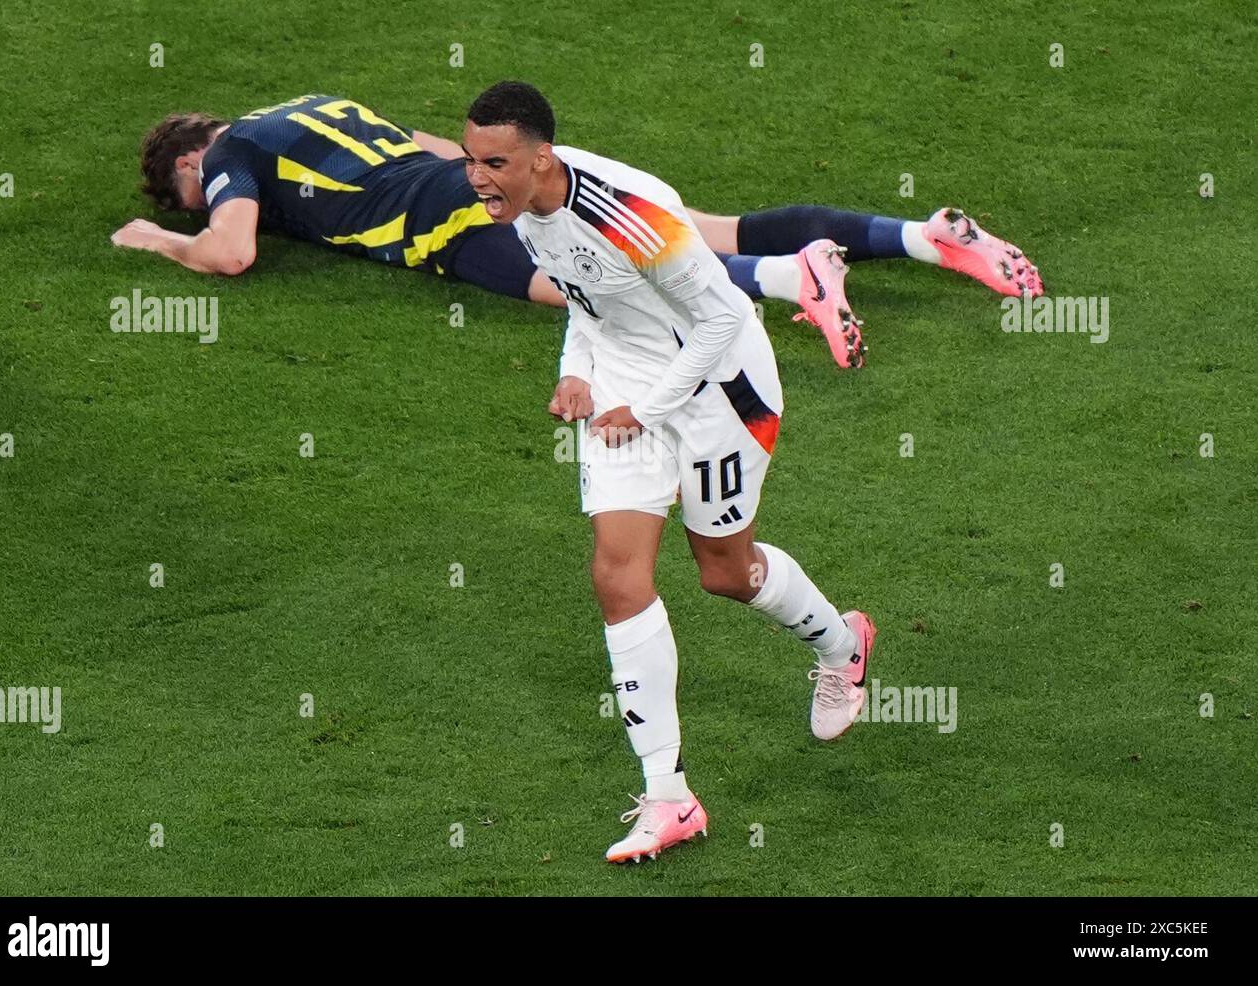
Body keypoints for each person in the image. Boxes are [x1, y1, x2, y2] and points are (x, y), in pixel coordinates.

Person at [461, 79, 881, 863]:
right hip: (630, 391)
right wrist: (578, 372)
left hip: (722, 394)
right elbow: (590, 306)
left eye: (493, 162)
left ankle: (840, 645)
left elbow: (722, 317)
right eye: (469, 160)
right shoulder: (520, 206)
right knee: (618, 577)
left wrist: (646, 409)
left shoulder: (632, 210)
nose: (477, 178)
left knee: (726, 572)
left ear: (541, 157)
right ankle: (669, 797)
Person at [113, 94, 1043, 369]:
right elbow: (429, 140)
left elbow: (232, 252)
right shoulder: (308, 105)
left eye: (188, 197)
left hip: (445, 222)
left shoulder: (233, 156)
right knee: (699, 227)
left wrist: (159, 243)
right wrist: (486, 175)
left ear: (192, 164)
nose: (205, 206)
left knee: (591, 291)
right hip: (478, 174)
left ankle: (792, 279)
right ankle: (927, 238)